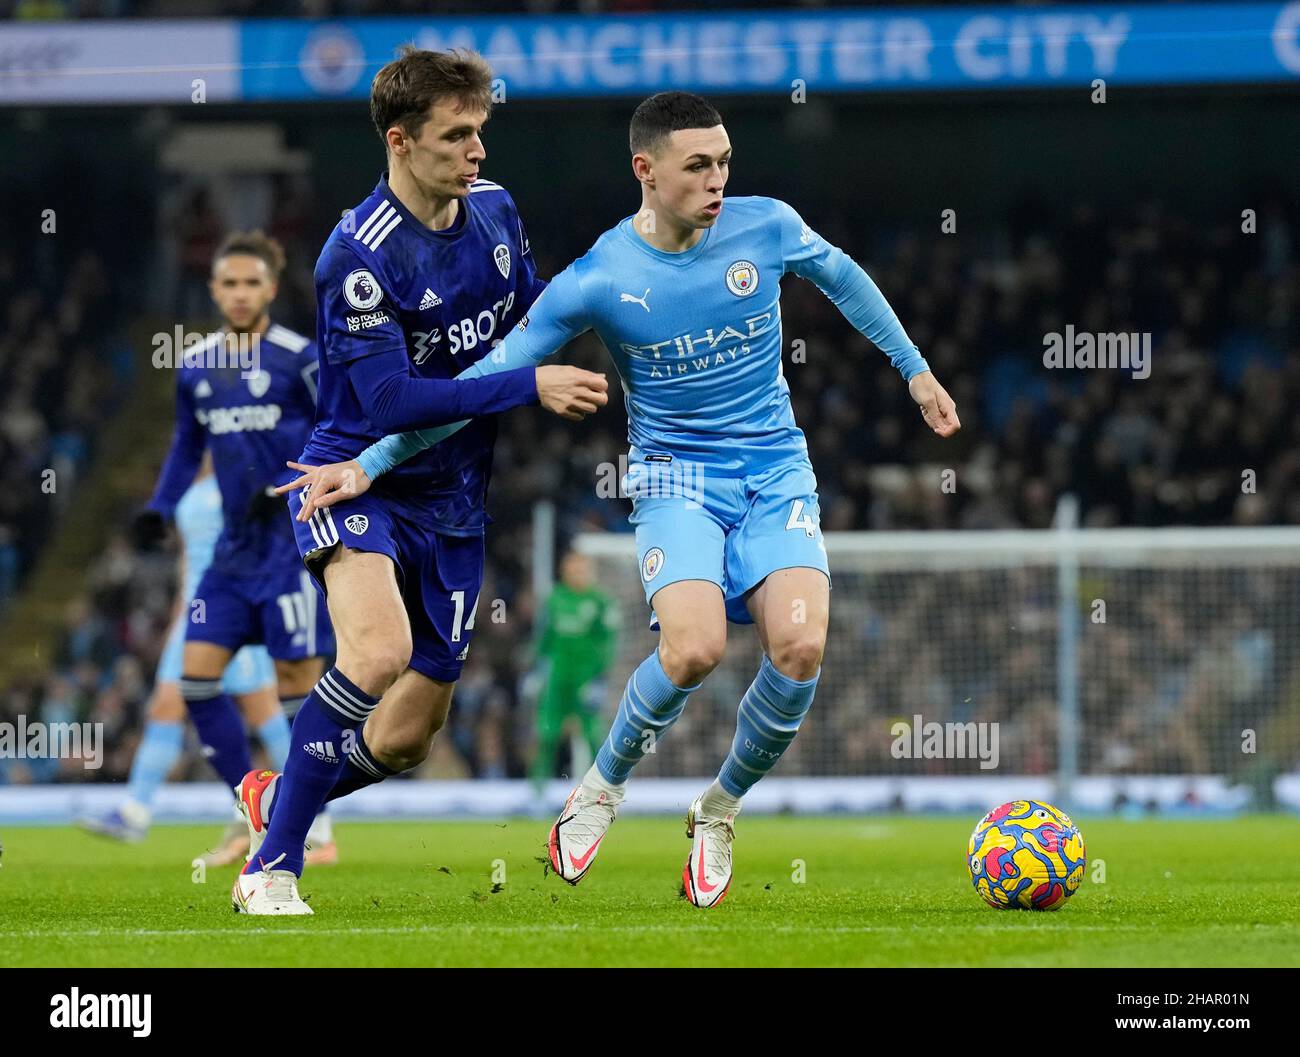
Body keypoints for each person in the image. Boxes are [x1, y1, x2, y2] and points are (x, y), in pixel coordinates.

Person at [282, 90, 960, 908]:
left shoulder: (768, 225)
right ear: (646, 169)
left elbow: (844, 278)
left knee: (802, 647)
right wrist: (371, 461)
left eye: (725, 164)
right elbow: (480, 377)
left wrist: (915, 371)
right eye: (698, 166)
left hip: (776, 467)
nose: (718, 181)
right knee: (694, 649)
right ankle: (601, 787)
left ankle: (718, 809)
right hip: (675, 476)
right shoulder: (597, 279)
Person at [229, 47, 608, 915]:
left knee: (407, 735)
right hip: (355, 483)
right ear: (401, 142)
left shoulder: (497, 212)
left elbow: (532, 314)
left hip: (457, 504)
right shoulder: (355, 257)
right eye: (457, 135)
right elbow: (391, 398)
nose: (478, 152)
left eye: (481, 131)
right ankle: (272, 869)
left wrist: (620, 307)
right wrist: (529, 384)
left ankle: (276, 797)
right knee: (376, 652)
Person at [140, 230, 338, 870]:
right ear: (215, 290)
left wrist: (285, 488)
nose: (240, 293)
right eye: (229, 283)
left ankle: (315, 820)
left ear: (272, 289)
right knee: (196, 683)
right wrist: (159, 508)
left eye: (252, 282)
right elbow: (184, 448)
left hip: (291, 549)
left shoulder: (299, 358)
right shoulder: (197, 367)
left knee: (300, 690)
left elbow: (335, 433)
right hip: (229, 558)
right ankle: (254, 806)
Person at [80, 461, 334, 866]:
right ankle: (136, 811)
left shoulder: (246, 476)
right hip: (199, 613)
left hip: (235, 606)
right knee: (165, 705)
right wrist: (181, 618)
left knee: (265, 712)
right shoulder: (187, 488)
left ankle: (313, 823)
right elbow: (189, 563)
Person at [528, 551, 620, 799]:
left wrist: (600, 679)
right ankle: (536, 793)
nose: (577, 574)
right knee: (546, 734)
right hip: (556, 679)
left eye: (581, 569)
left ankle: (602, 791)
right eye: (572, 569)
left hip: (586, 680)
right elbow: (543, 639)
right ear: (564, 571)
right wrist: (537, 670)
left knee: (592, 736)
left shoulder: (600, 601)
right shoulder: (555, 599)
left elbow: (608, 642)